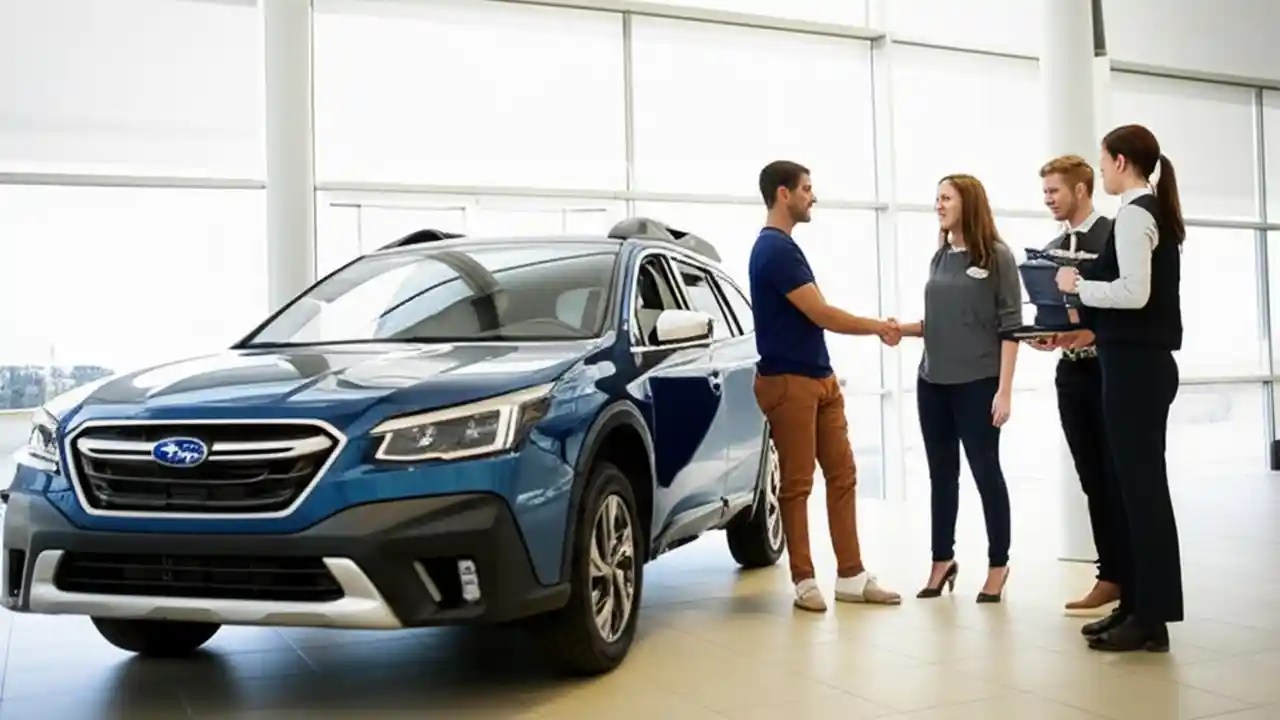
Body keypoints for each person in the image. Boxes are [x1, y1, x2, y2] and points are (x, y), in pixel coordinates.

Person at [748, 160, 902, 612]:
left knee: (843, 474)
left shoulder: (786, 247)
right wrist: (879, 327)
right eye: (807, 189)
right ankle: (803, 579)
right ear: (783, 194)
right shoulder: (773, 250)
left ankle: (851, 574)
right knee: (797, 485)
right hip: (789, 382)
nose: (812, 196)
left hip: (820, 378)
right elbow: (822, 314)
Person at [1054, 124, 1185, 652]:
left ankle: (1149, 615)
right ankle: (1137, 605)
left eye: (1103, 161)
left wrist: (1078, 284)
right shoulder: (1151, 211)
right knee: (1135, 492)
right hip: (1133, 364)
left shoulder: (1134, 214)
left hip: (1135, 369)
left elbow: (1134, 292)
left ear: (1122, 161)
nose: (1101, 169)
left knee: (1143, 493)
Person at [896, 174, 1021, 603]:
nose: (938, 205)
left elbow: (1011, 328)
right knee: (941, 475)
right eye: (937, 198)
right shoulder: (941, 257)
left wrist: (1004, 390)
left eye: (945, 198)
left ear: (969, 203)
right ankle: (941, 561)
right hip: (932, 381)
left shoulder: (998, 257)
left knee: (986, 472)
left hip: (978, 382)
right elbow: (942, 322)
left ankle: (998, 564)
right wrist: (903, 329)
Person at [1025, 155, 1122, 613]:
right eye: (1044, 192)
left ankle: (1130, 578)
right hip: (1072, 371)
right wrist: (1048, 335)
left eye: (1054, 191)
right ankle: (1111, 575)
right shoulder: (1052, 246)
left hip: (1110, 370)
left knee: (1117, 476)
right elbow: (1059, 311)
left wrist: (1093, 332)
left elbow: (1126, 304)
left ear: (1081, 190)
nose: (1047, 200)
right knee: (1092, 479)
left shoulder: (1112, 237)